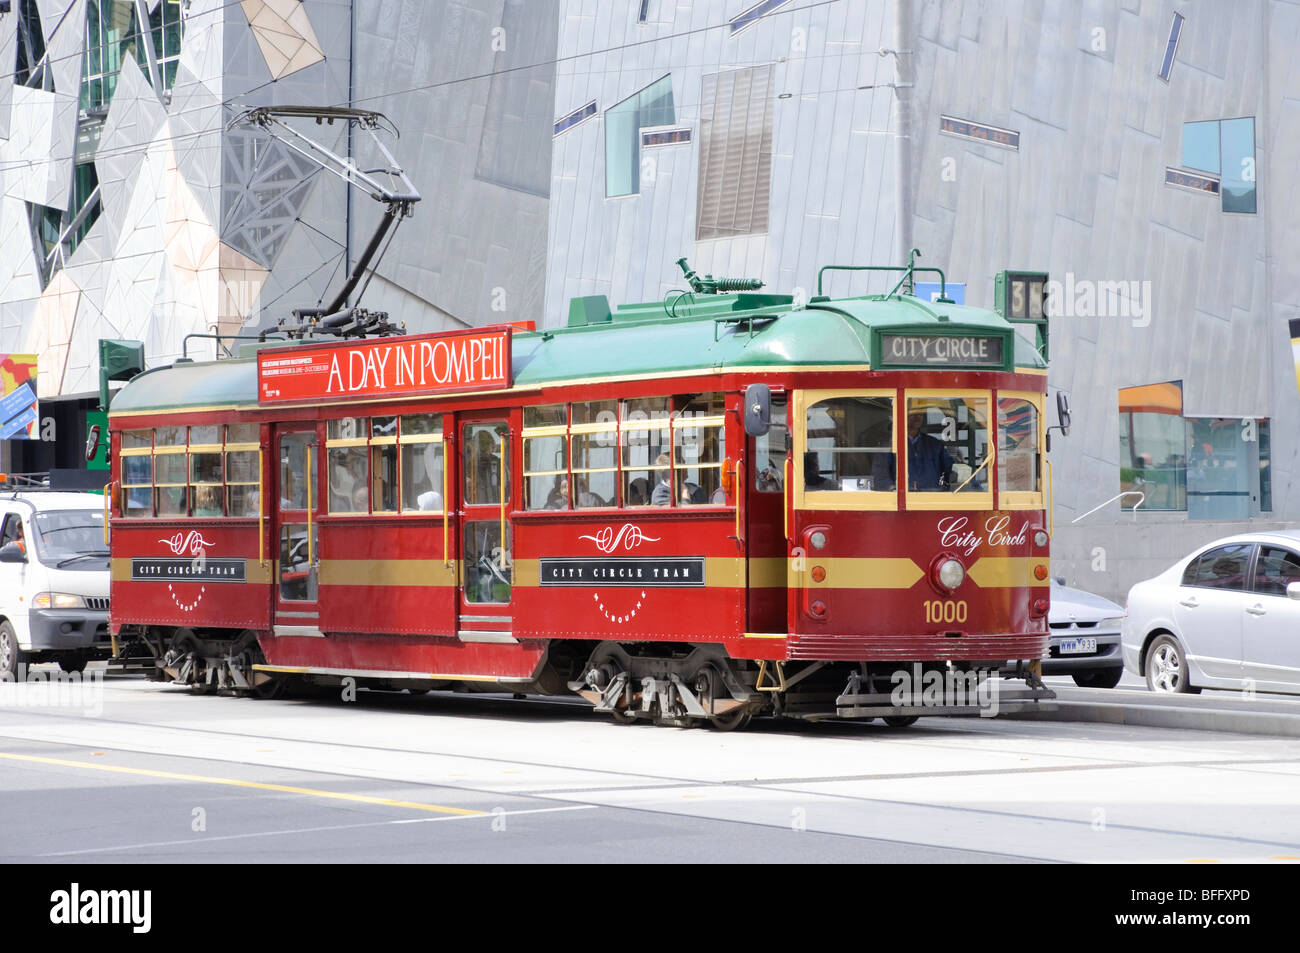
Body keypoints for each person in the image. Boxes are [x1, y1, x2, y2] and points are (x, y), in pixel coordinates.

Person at [906, 410, 956, 491]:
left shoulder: (934, 444)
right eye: (913, 413)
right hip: (900, 498)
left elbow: (951, 469)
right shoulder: (892, 443)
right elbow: (883, 474)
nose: (917, 416)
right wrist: (891, 489)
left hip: (931, 497)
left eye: (920, 413)